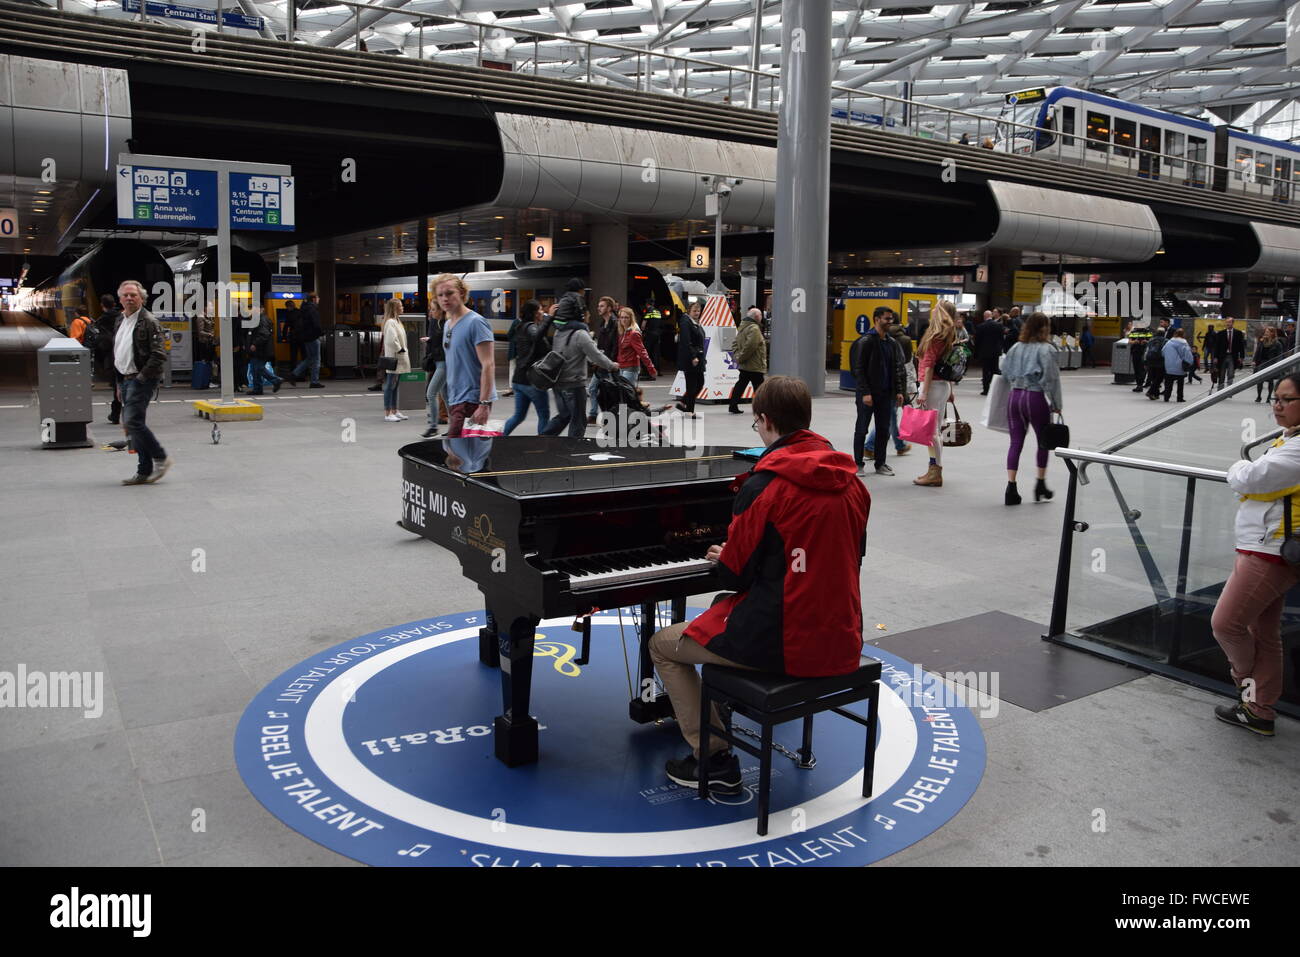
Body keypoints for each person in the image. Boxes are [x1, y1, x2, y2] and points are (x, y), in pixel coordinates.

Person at [647, 376, 870, 792]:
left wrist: (727, 552)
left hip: (785, 643)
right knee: (723, 606)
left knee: (662, 645)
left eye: (756, 424)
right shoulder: (853, 483)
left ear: (765, 420)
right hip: (841, 636)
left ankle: (712, 756)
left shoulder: (764, 486)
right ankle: (723, 706)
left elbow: (735, 574)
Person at [1210, 371, 1300, 736]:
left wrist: (1237, 468)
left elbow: (1252, 479)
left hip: (1270, 552)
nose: (1277, 406)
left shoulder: (1296, 448)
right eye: (1275, 399)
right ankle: (1260, 710)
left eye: (1286, 400)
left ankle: (1245, 684)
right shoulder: (1288, 438)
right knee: (1263, 631)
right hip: (1262, 546)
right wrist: (1246, 475)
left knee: (1226, 623)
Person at [112, 280, 172, 485]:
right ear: (120, 299)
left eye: (133, 295)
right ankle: (144, 471)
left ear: (142, 298)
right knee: (133, 425)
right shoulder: (120, 321)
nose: (129, 298)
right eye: (125, 295)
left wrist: (140, 379)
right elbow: (119, 353)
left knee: (133, 422)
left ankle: (160, 457)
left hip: (141, 379)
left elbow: (159, 355)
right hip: (126, 379)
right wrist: (119, 384)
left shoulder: (149, 321)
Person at [1000, 312, 1062, 505]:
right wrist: (1056, 404)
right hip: (1034, 397)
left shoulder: (1016, 347)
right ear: (1045, 328)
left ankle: (1011, 488)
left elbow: (1004, 372)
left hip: (1015, 396)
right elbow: (1051, 380)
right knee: (1043, 441)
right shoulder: (1047, 349)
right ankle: (1040, 484)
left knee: (1015, 442)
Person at [540, 294, 617, 438]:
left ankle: (544, 437)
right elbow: (596, 355)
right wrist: (612, 365)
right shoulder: (580, 334)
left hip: (558, 384)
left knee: (564, 415)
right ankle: (573, 449)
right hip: (574, 385)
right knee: (578, 421)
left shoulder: (559, 331)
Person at [436, 273, 497, 437]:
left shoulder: (476, 322)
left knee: (456, 453)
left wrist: (483, 404)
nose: (444, 299)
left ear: (462, 293)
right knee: (469, 455)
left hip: (472, 399)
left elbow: (488, 364)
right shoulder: (448, 324)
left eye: (449, 293)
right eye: (440, 295)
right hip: (455, 397)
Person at [850, 306, 907, 477]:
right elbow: (858, 369)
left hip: (886, 395)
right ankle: (858, 464)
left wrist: (898, 391)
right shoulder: (866, 341)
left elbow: (896, 369)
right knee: (862, 429)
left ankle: (880, 463)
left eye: (891, 319)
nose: (890, 322)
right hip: (868, 395)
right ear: (876, 319)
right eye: (886, 319)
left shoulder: (892, 343)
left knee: (883, 429)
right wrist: (865, 392)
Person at [912, 299, 960, 487]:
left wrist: (923, 392)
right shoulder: (948, 334)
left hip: (932, 386)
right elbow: (946, 365)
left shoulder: (936, 335)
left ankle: (935, 471)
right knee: (934, 431)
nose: (932, 309)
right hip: (942, 386)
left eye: (936, 307)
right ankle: (933, 469)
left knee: (931, 432)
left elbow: (930, 366)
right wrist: (950, 390)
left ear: (941, 312)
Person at [502, 299, 551, 435]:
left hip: (519, 380)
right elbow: (537, 338)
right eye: (541, 309)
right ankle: (543, 447)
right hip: (532, 381)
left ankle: (499, 439)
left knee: (518, 416)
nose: (543, 312)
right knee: (544, 415)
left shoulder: (521, 326)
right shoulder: (531, 327)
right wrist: (550, 319)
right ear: (535, 313)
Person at [728, 307, 767, 414]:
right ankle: (761, 408)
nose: (761, 317)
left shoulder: (742, 326)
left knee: (741, 384)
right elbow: (750, 346)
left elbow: (735, 343)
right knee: (759, 387)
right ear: (757, 317)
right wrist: (741, 357)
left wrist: (737, 357)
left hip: (745, 364)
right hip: (754, 364)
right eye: (760, 315)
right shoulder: (754, 328)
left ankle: (733, 405)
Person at [587, 296, 620, 424]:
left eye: (602, 306)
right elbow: (601, 345)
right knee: (593, 389)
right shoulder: (602, 323)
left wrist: (609, 363)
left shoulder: (615, 323)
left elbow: (615, 346)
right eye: (598, 306)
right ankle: (594, 414)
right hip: (601, 362)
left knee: (608, 392)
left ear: (609, 308)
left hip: (609, 364)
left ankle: (606, 417)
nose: (598, 308)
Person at [419, 301, 449, 437]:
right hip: (438, 361)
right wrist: (430, 340)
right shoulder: (435, 322)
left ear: (441, 310)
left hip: (444, 363)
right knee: (446, 396)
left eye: (433, 309)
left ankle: (433, 427)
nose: (430, 312)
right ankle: (455, 426)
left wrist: (431, 340)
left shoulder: (446, 324)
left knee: (431, 393)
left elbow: (446, 343)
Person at [380, 298, 410, 421]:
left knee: (395, 385)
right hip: (395, 358)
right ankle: (388, 413)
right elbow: (391, 340)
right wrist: (400, 349)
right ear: (395, 308)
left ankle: (394, 410)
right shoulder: (391, 322)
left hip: (398, 357)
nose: (403, 308)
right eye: (401, 306)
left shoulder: (396, 321)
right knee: (390, 385)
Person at [676, 300, 706, 415]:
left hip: (698, 358)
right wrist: (693, 356)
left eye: (698, 311)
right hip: (691, 359)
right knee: (692, 385)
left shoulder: (695, 322)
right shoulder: (686, 322)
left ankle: (684, 402)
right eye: (694, 311)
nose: (697, 313)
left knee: (700, 383)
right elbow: (686, 341)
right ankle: (690, 411)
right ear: (689, 311)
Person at [97, 293, 124, 422]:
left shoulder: (101, 320)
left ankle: (115, 414)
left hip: (112, 356)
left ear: (102, 305)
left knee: (116, 386)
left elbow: (102, 344)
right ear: (114, 304)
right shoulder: (122, 317)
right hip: (125, 353)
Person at [288, 292, 325, 388]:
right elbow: (316, 323)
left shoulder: (303, 308)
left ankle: (293, 374)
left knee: (309, 358)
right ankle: (314, 381)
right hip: (313, 336)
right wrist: (321, 333)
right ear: (313, 299)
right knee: (316, 359)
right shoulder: (312, 309)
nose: (319, 299)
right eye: (318, 297)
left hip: (305, 337)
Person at [615, 306, 655, 388]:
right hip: (621, 367)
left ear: (631, 319)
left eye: (626, 317)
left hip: (631, 368)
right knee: (625, 395)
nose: (624, 320)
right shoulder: (622, 333)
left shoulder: (634, 334)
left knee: (627, 395)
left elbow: (642, 352)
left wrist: (651, 368)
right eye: (622, 317)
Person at [247, 310, 283, 396]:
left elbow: (264, 334)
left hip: (261, 349)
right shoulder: (258, 319)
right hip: (258, 350)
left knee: (259, 368)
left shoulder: (262, 320)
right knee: (254, 369)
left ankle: (276, 380)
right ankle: (257, 389)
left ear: (261, 309)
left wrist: (255, 344)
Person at [1211, 317, 1246, 394]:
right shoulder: (1221, 333)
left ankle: (1228, 392)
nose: (1228, 324)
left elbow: (1241, 345)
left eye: (1229, 322)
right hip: (1222, 356)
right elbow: (1217, 346)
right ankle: (1220, 392)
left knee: (1230, 374)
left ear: (1233, 323)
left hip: (1232, 356)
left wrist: (1242, 357)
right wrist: (1215, 357)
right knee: (1221, 374)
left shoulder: (1238, 333)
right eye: (1226, 322)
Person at [974, 309, 1004, 394]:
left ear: (984, 317)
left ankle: (986, 389)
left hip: (985, 352)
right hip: (995, 352)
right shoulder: (999, 325)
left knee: (985, 371)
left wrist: (976, 353)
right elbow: (1001, 339)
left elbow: (978, 341)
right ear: (991, 316)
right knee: (995, 370)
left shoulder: (980, 326)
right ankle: (995, 389)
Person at [1162, 327, 1194, 402]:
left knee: (1168, 383)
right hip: (1179, 367)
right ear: (1183, 334)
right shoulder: (1184, 343)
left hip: (1169, 366)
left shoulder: (1169, 342)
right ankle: (1179, 398)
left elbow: (1163, 352)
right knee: (1180, 383)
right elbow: (1188, 355)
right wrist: (1190, 362)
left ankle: (1166, 397)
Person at [1253, 326, 1284, 403]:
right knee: (1259, 380)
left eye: (1267, 332)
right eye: (1265, 332)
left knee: (1270, 381)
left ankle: (1269, 397)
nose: (1265, 333)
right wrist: (1254, 360)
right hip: (1262, 363)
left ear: (1272, 333)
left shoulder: (1277, 343)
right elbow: (1257, 352)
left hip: (1271, 363)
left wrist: (1277, 363)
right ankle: (1259, 396)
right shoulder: (1262, 341)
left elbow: (1280, 355)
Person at [1143, 321, 1169, 400]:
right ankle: (1150, 392)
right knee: (1159, 378)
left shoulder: (1151, 340)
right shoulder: (1166, 341)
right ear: (1164, 333)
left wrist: (1145, 362)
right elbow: (1166, 352)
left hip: (1150, 361)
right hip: (1160, 361)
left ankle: (1155, 394)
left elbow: (1146, 351)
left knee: (1154, 378)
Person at [640, 300, 663, 378]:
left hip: (649, 334)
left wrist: (642, 332)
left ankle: (647, 371)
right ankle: (658, 370)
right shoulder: (658, 312)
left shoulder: (648, 311)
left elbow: (643, 325)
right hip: (657, 334)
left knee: (647, 352)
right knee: (656, 353)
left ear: (647, 304)